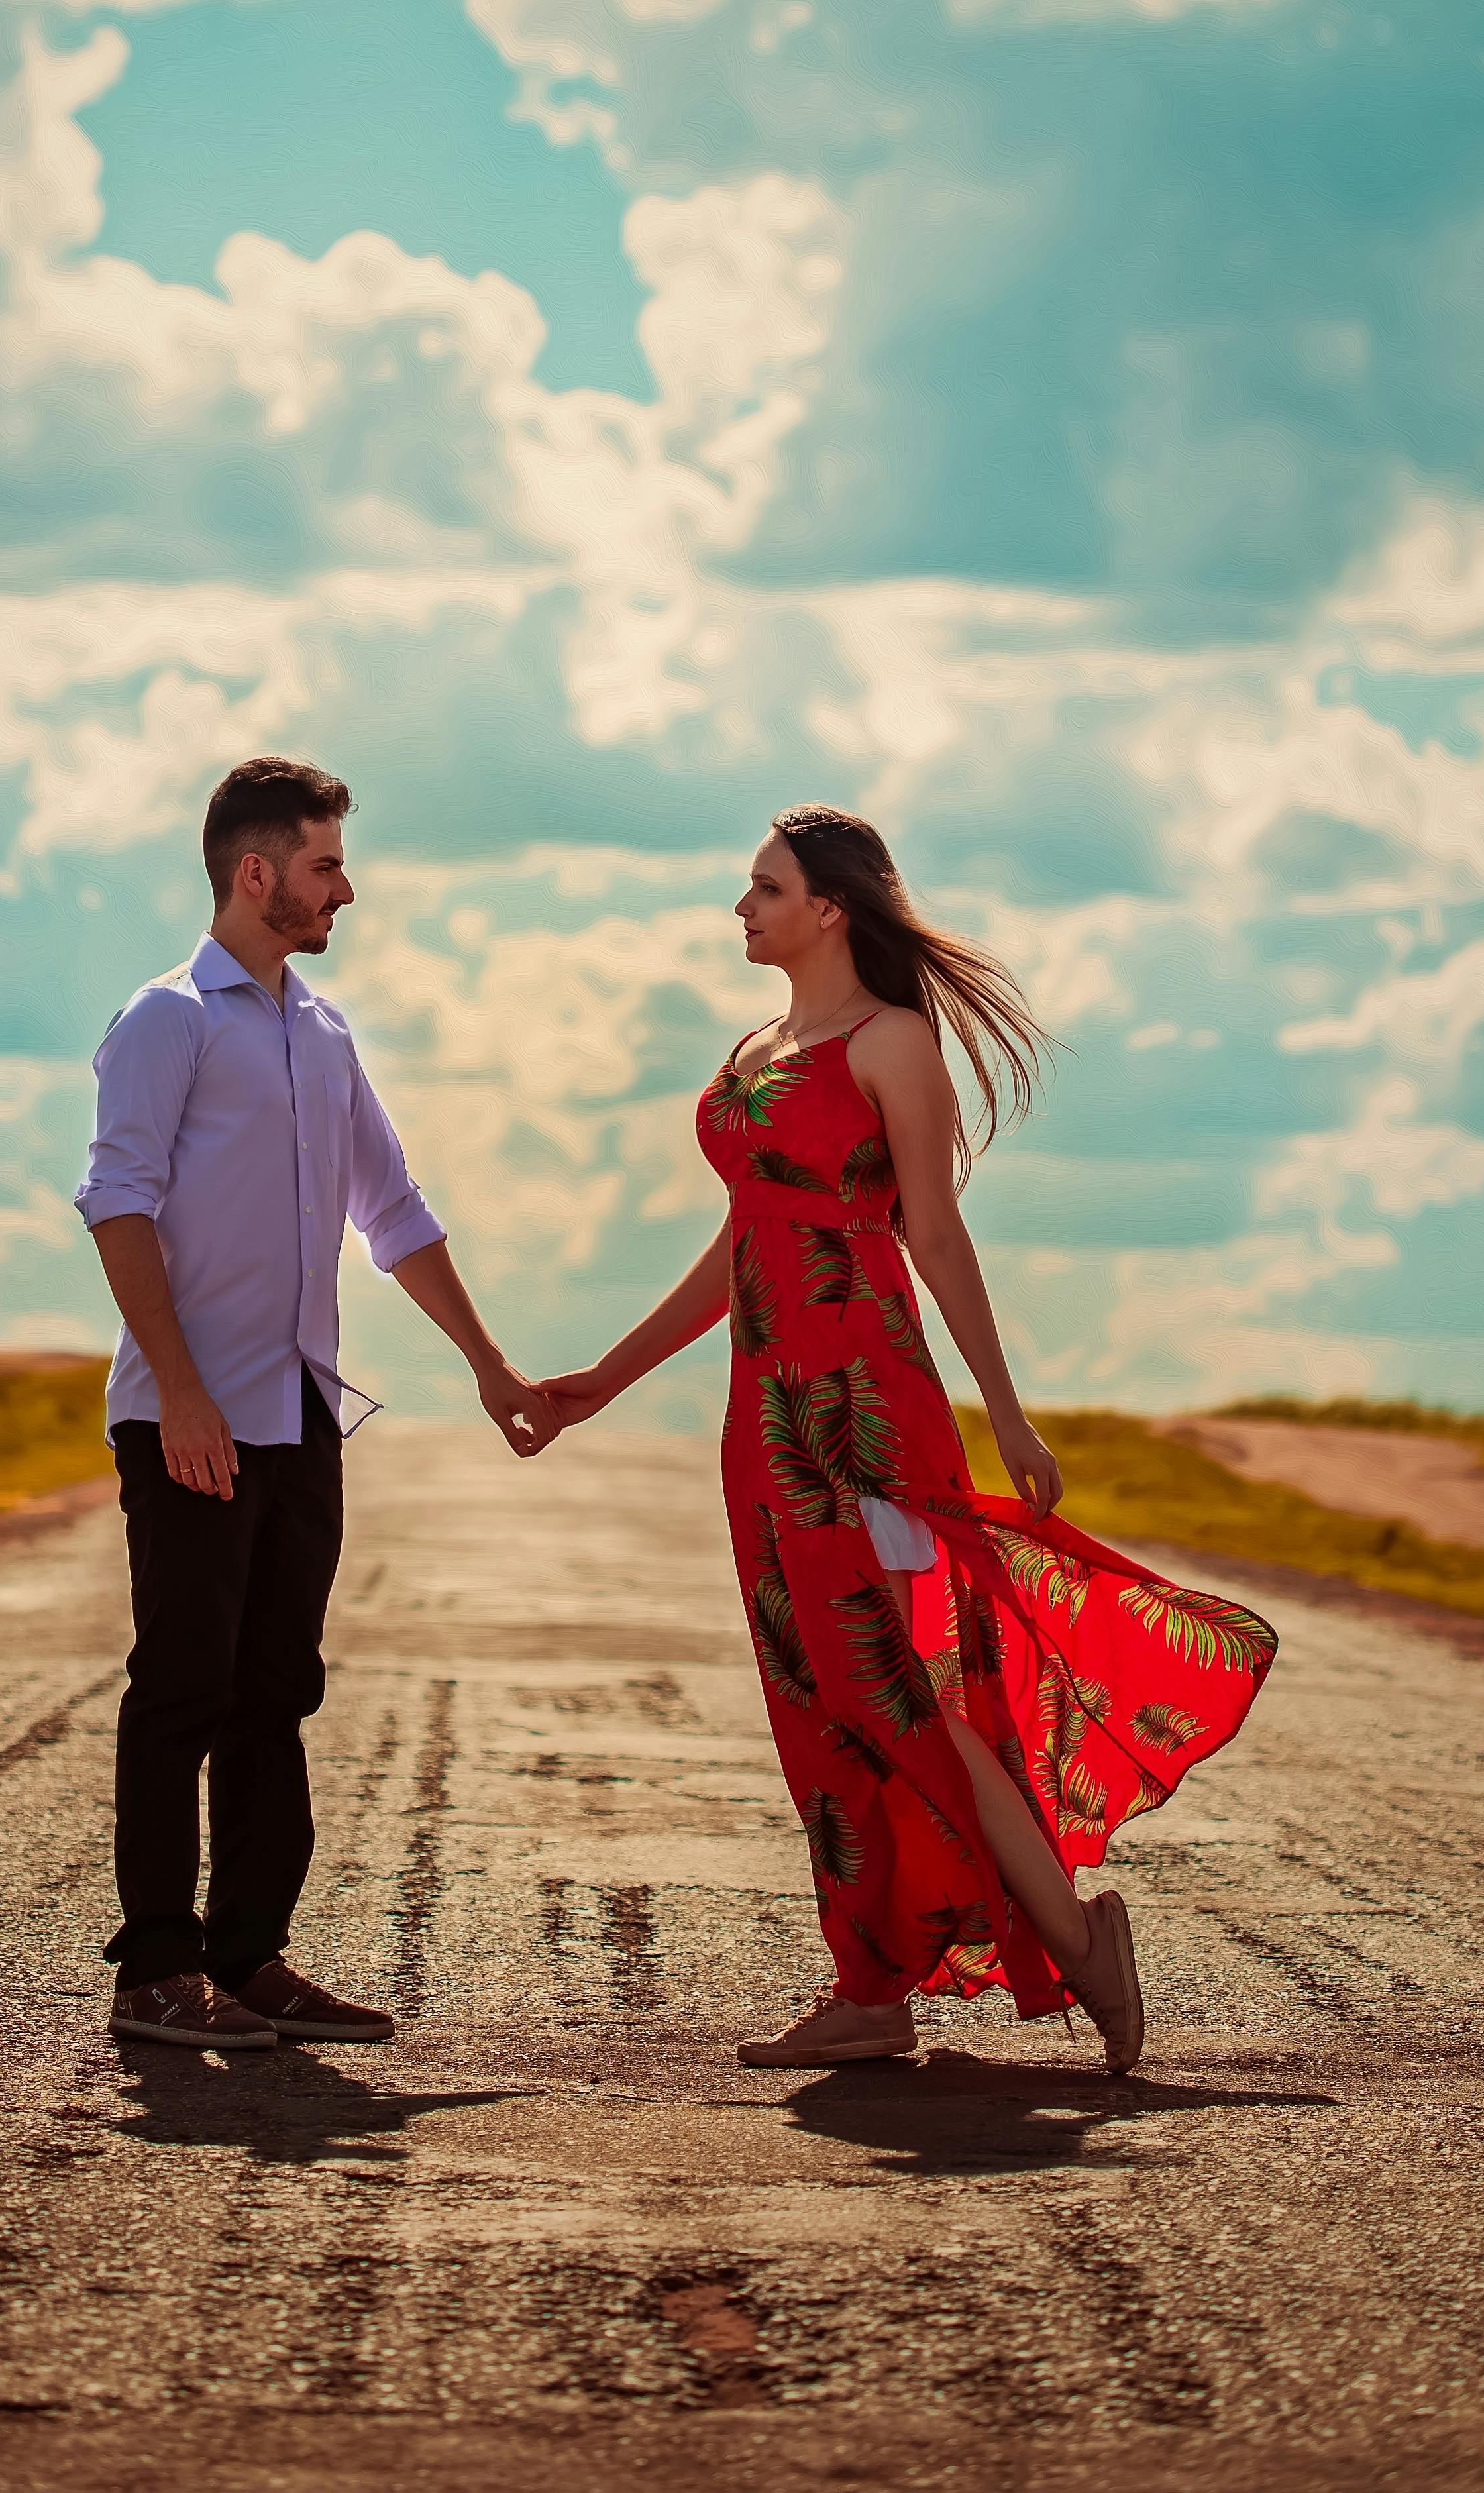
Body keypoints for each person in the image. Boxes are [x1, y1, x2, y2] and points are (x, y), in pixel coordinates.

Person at [536, 804, 1275, 2073]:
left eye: (764, 889)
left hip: (865, 1416)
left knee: (905, 1692)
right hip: (765, 1420)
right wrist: (606, 1377)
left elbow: (933, 1238)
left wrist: (1008, 1409)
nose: (742, 907)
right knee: (813, 1696)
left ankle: (1083, 1943)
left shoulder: (895, 1048)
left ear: (829, 909)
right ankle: (871, 1990)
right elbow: (742, 1246)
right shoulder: (760, 1044)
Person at [76, 753, 556, 2052]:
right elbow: (116, 1202)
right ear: (255, 873)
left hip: (297, 1412)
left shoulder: (326, 1036)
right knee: (180, 1686)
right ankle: (156, 1972)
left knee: (276, 1687)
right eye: (326, 865)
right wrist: (178, 1392)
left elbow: (391, 1214)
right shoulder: (167, 1020)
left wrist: (489, 1364)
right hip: (190, 1414)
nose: (346, 889)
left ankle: (251, 1959)